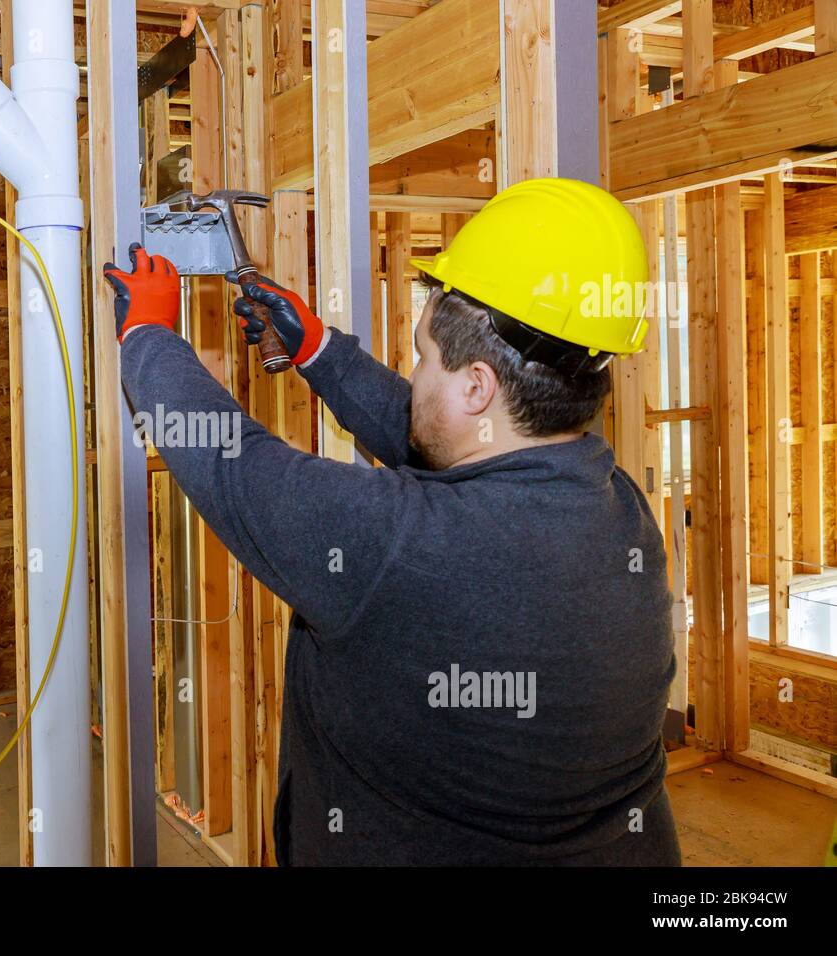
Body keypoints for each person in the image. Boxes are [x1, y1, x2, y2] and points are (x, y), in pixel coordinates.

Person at [104, 177, 679, 866]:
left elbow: (236, 469)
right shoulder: (621, 510)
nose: (416, 371)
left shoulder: (394, 546)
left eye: (424, 355)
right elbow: (451, 446)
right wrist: (320, 351)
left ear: (476, 386)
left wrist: (147, 337)